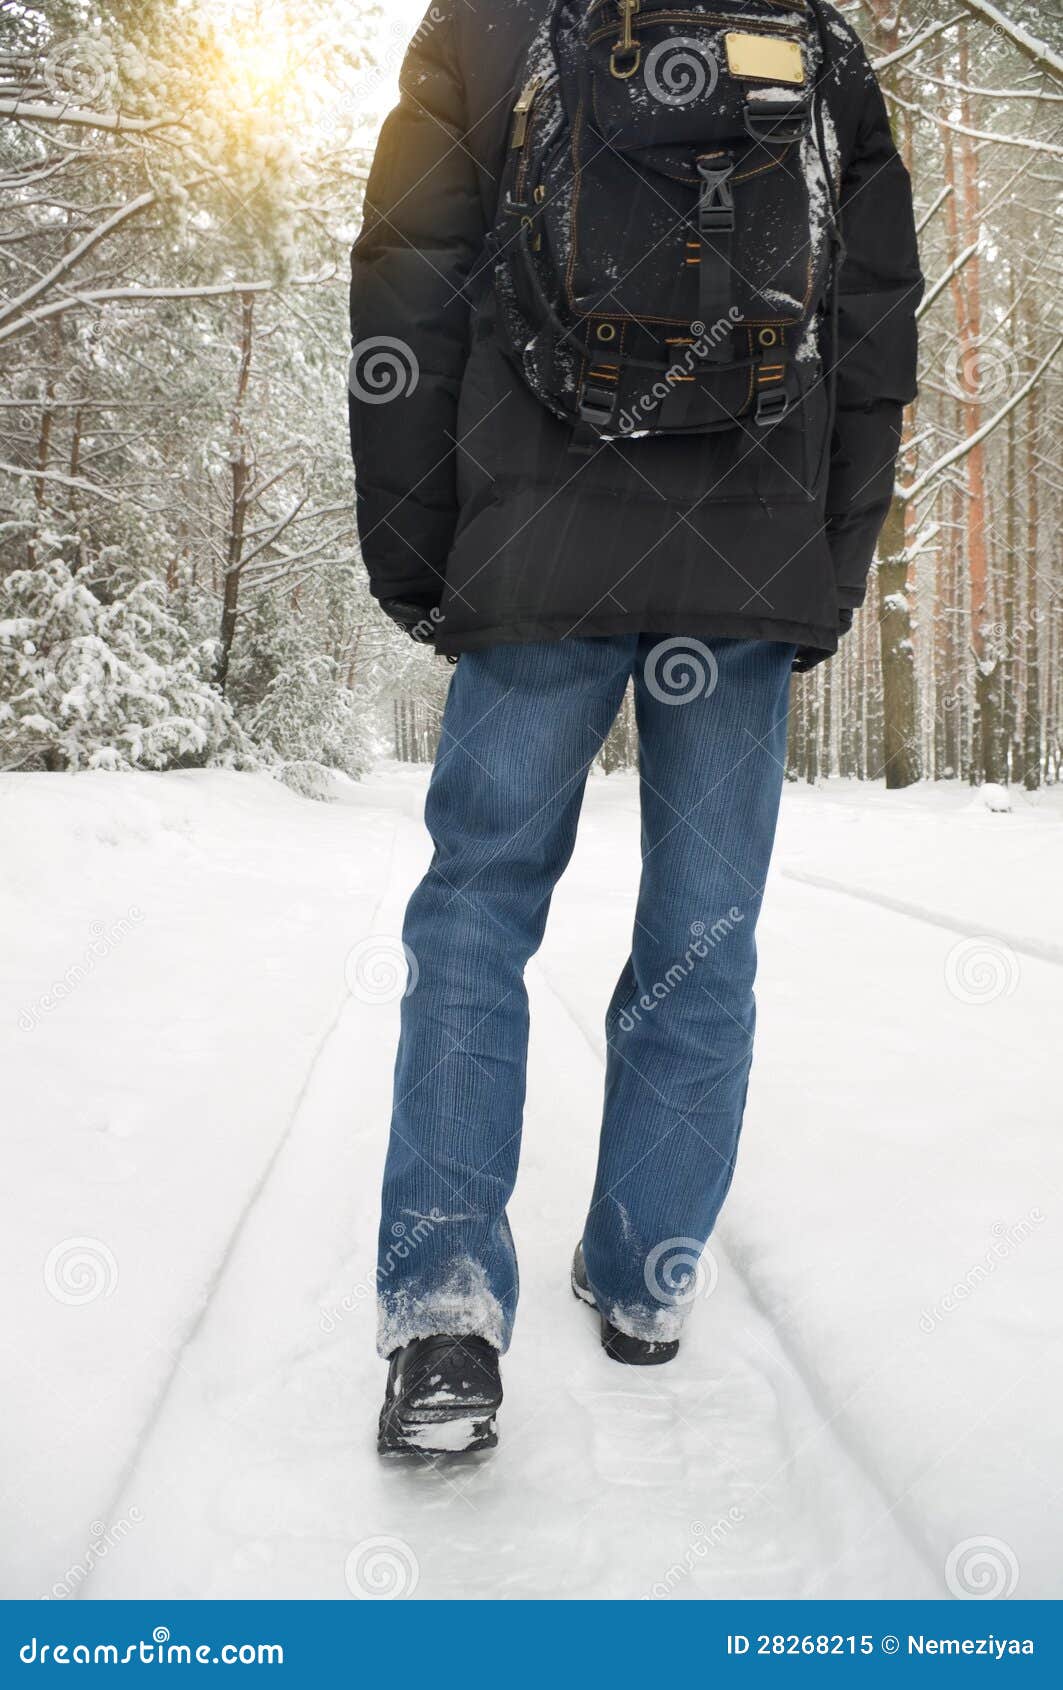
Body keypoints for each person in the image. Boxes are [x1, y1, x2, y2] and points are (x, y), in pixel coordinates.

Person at [349, 0, 922, 1456]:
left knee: (477, 912)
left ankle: (445, 1315)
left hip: (535, 548)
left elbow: (406, 288)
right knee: (704, 929)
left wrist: (424, 553)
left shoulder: (483, 26)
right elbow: (873, 331)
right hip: (744, 566)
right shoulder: (819, 43)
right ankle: (647, 1275)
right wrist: (827, 570)